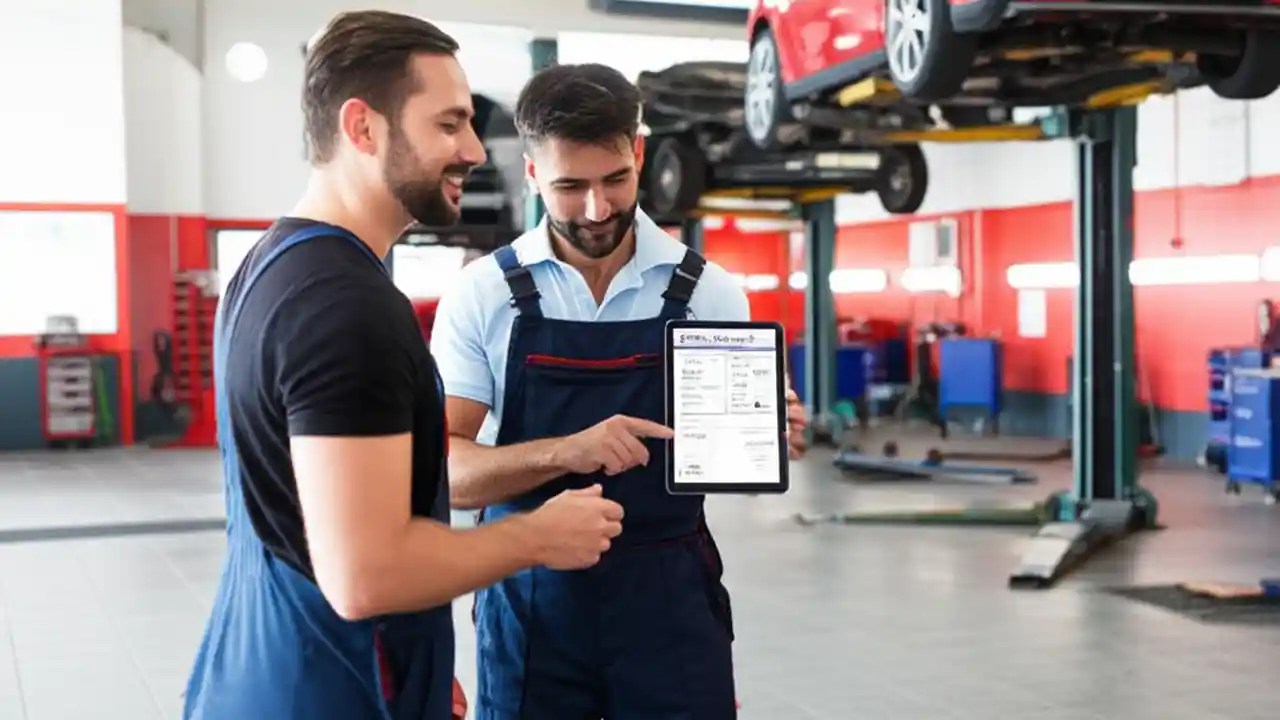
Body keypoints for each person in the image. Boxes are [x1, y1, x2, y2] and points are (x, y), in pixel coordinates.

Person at [182, 13, 626, 720]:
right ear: (363, 128)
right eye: (449, 125)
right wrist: (539, 535)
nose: (476, 150)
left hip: (274, 665)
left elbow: (304, 524)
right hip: (330, 692)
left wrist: (416, 656)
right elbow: (366, 573)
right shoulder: (347, 308)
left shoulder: (271, 268)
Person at [431, 63, 808, 719]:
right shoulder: (485, 295)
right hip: (530, 603)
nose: (597, 210)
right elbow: (445, 473)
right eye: (569, 187)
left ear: (638, 153)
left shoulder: (709, 293)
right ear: (531, 172)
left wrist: (767, 430)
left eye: (615, 180)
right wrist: (566, 452)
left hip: (670, 604)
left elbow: (737, 440)